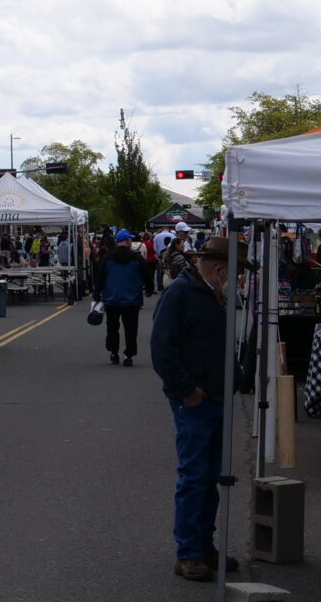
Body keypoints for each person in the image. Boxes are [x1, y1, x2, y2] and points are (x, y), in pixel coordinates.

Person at [152, 234, 234, 579]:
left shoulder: (210, 294)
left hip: (215, 396)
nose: (234, 280)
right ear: (220, 270)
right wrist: (188, 390)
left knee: (210, 476)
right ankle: (188, 551)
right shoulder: (180, 294)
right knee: (195, 477)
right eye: (233, 273)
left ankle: (203, 545)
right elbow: (161, 348)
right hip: (197, 400)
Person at [100, 229, 148, 366]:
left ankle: (113, 352)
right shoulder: (137, 258)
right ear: (127, 241)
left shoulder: (108, 258)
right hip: (132, 299)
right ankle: (129, 355)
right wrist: (149, 288)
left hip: (112, 298)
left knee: (112, 327)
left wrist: (97, 293)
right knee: (131, 329)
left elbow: (100, 277)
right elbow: (147, 275)